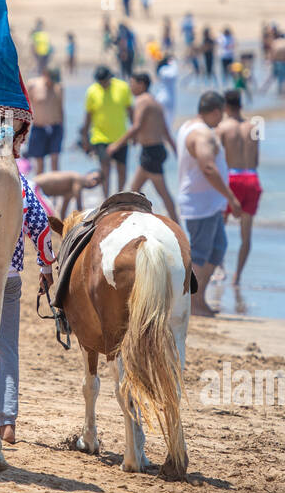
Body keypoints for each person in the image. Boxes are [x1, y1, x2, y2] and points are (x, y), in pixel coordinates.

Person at [0, 173, 55, 444]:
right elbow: (40, 221)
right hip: (7, 275)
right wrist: (45, 265)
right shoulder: (16, 181)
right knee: (5, 348)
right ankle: (7, 423)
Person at [176, 91, 242, 316]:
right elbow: (208, 167)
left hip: (207, 203)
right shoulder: (202, 134)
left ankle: (198, 299)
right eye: (221, 114)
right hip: (201, 204)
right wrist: (231, 197)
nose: (222, 119)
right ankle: (193, 302)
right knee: (202, 253)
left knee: (217, 248)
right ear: (215, 111)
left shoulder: (188, 126)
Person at [109, 72, 179, 220]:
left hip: (151, 152)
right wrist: (176, 150)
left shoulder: (142, 101)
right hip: (156, 150)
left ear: (142, 84)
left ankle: (176, 224)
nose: (130, 87)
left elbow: (137, 126)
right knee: (134, 192)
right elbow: (165, 130)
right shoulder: (155, 102)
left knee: (160, 193)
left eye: (132, 83)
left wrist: (117, 144)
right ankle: (130, 221)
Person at [216, 89, 261, 286]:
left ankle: (219, 268)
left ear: (225, 107)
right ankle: (238, 277)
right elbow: (256, 160)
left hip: (231, 178)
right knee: (246, 234)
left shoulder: (222, 128)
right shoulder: (254, 127)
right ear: (241, 105)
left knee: (219, 227)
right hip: (252, 178)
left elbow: (216, 158)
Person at [81, 65, 132, 196]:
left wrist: (135, 133)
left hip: (121, 136)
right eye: (100, 82)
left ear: (110, 77)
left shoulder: (123, 87)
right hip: (100, 137)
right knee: (105, 169)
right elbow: (88, 116)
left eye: (105, 81)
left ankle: (120, 195)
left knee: (122, 169)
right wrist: (85, 138)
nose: (103, 84)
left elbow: (130, 111)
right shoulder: (92, 91)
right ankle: (106, 198)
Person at [25, 65, 64, 174]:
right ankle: (39, 190)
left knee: (55, 161)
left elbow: (61, 109)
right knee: (40, 163)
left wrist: (62, 129)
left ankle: (55, 190)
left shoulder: (59, 87)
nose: (53, 82)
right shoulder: (33, 85)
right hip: (39, 127)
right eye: (52, 79)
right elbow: (25, 106)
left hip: (55, 127)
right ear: (45, 74)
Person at [33, 168, 102, 218]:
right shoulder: (77, 178)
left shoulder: (70, 188)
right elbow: (79, 206)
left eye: (97, 183)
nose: (94, 183)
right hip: (35, 187)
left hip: (36, 189)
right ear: (88, 174)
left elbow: (63, 211)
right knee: (48, 215)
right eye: (94, 179)